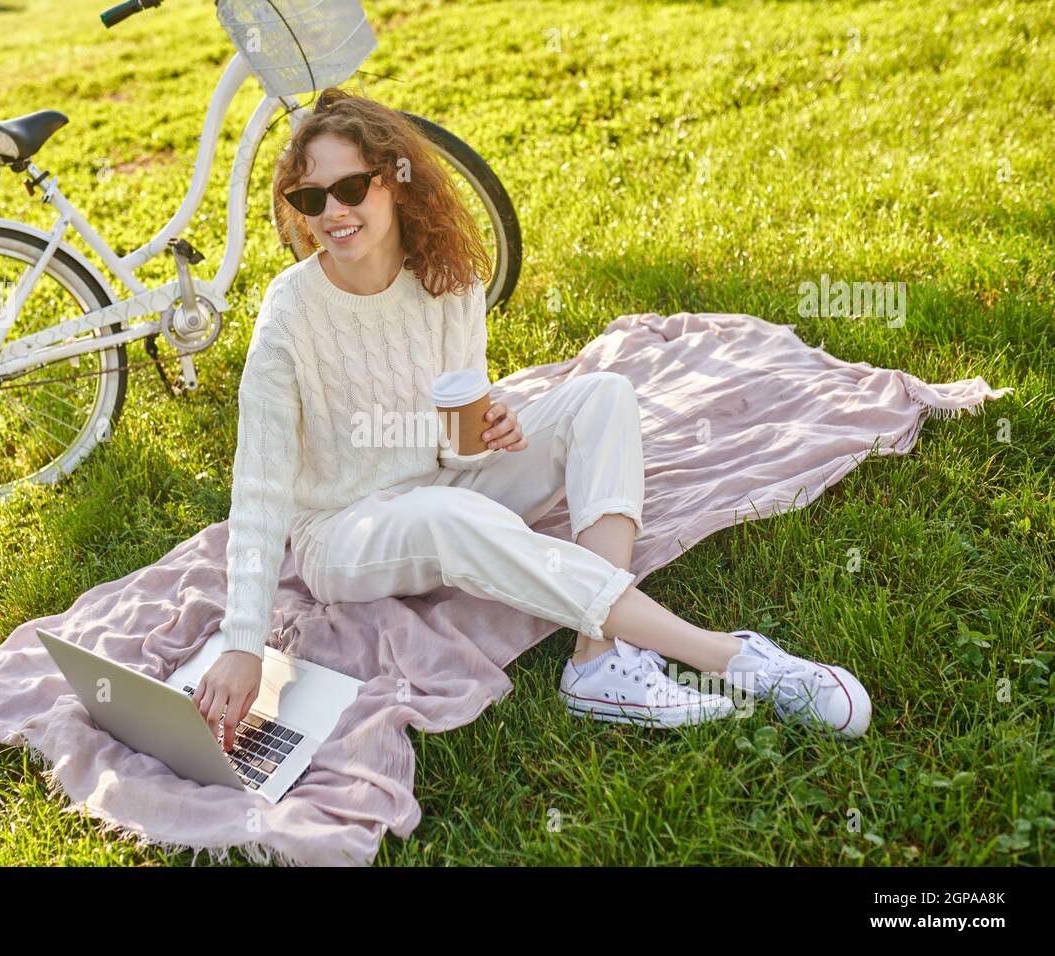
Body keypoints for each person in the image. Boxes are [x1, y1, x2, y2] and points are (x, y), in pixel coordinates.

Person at [194, 88, 871, 752]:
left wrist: (490, 433)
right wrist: (241, 643)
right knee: (446, 515)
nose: (332, 213)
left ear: (394, 182)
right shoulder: (289, 313)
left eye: (350, 189)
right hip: (344, 534)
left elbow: (453, 445)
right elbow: (258, 490)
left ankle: (598, 658)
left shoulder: (445, 279)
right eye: (310, 199)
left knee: (601, 394)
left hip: (440, 487)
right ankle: (732, 659)